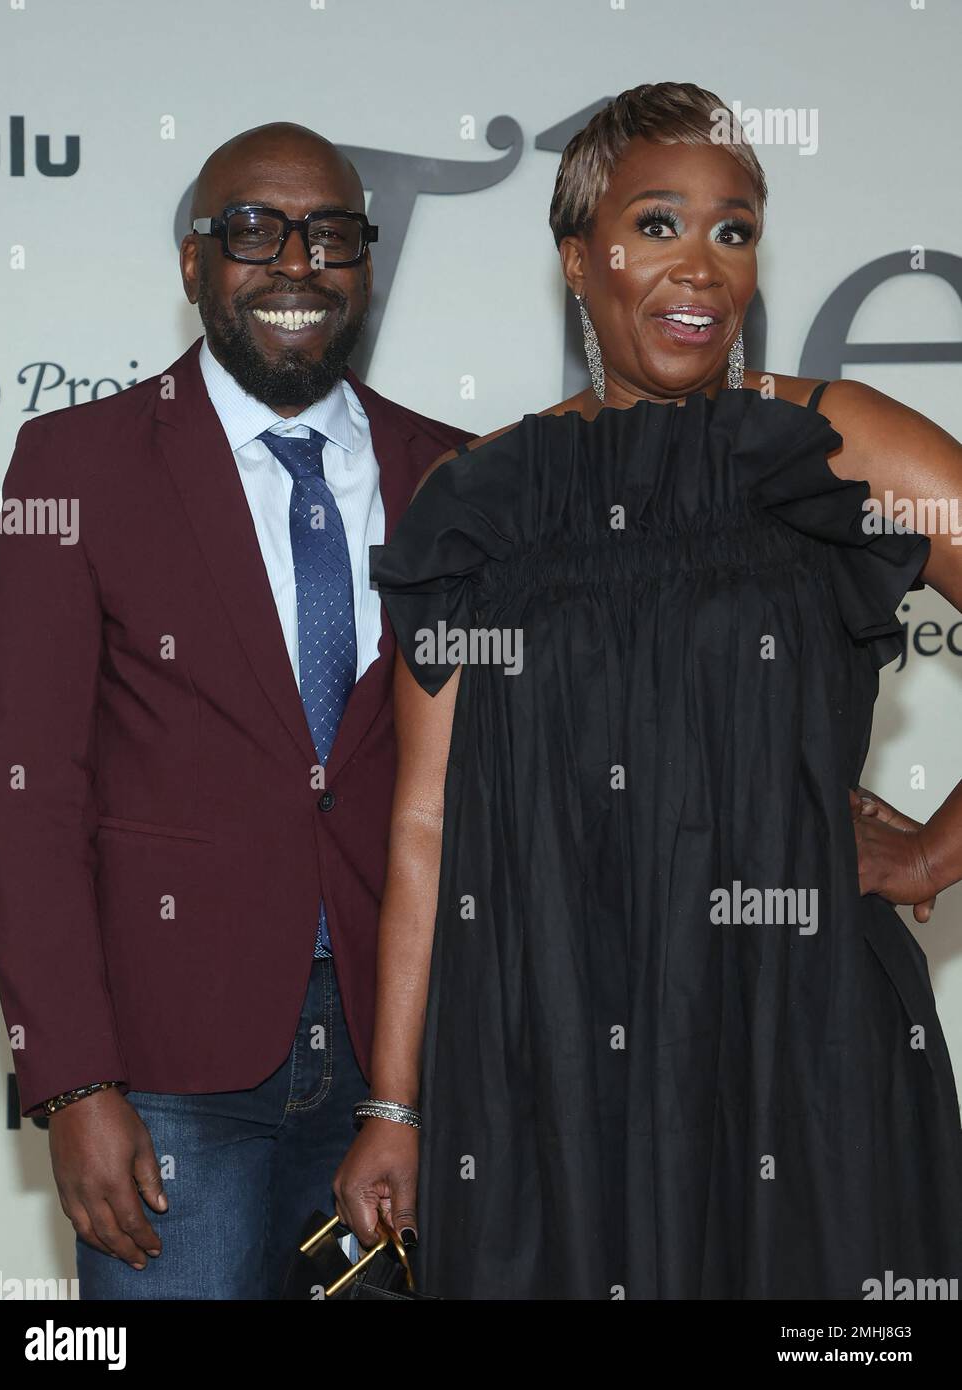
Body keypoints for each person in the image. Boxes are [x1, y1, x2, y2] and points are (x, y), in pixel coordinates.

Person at [334, 82, 962, 1299]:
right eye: (659, 223)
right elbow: (426, 820)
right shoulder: (482, 499)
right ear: (580, 255)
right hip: (553, 1049)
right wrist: (396, 1101)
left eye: (735, 229)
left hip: (794, 1023)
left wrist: (934, 855)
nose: (704, 265)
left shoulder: (835, 442)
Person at [0, 121, 473, 1299]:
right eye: (253, 228)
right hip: (163, 1075)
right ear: (194, 263)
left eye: (332, 233)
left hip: (395, 1057)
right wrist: (76, 1083)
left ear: (367, 262)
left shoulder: (454, 473)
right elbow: (22, 793)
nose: (296, 262)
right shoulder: (74, 466)